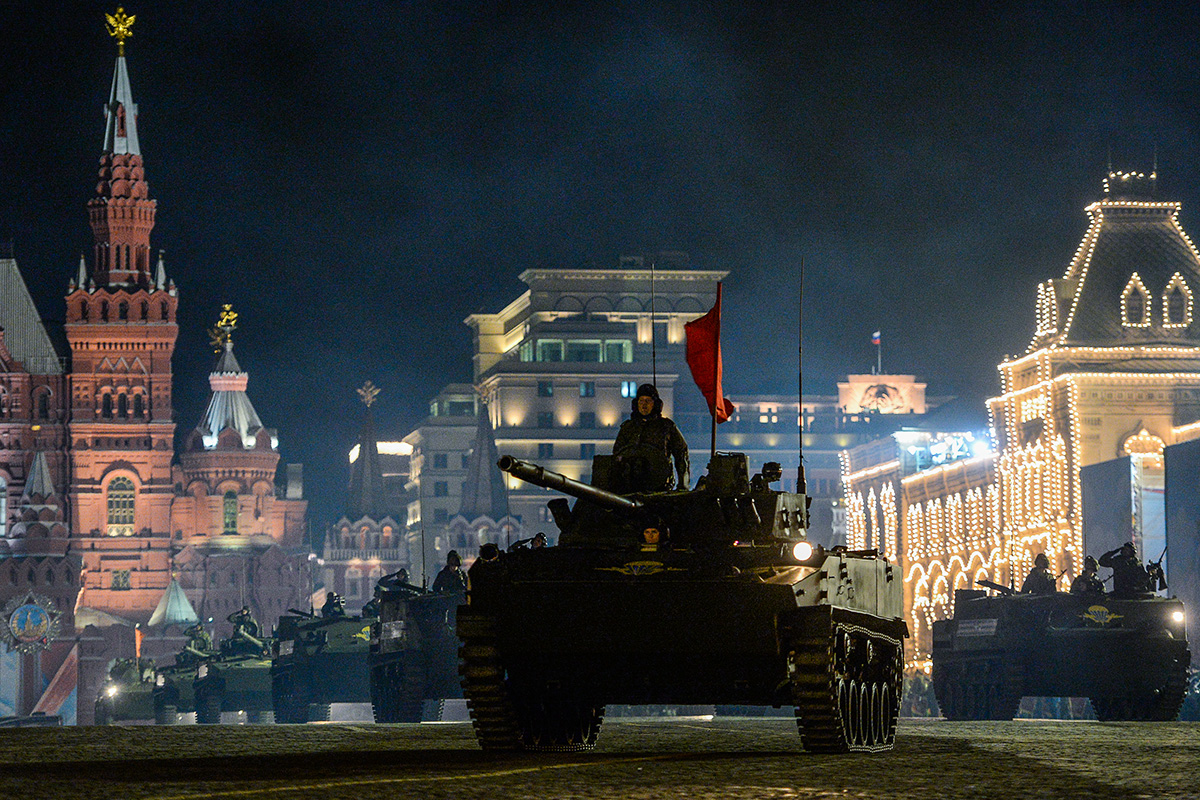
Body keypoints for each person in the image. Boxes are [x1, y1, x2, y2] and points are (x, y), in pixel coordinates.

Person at [613, 383, 690, 492]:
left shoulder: (666, 427)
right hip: (630, 485)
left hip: (660, 485)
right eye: (641, 401)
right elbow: (617, 454)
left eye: (648, 401)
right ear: (636, 404)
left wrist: (683, 485)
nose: (644, 405)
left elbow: (681, 454)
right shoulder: (628, 427)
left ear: (655, 404)